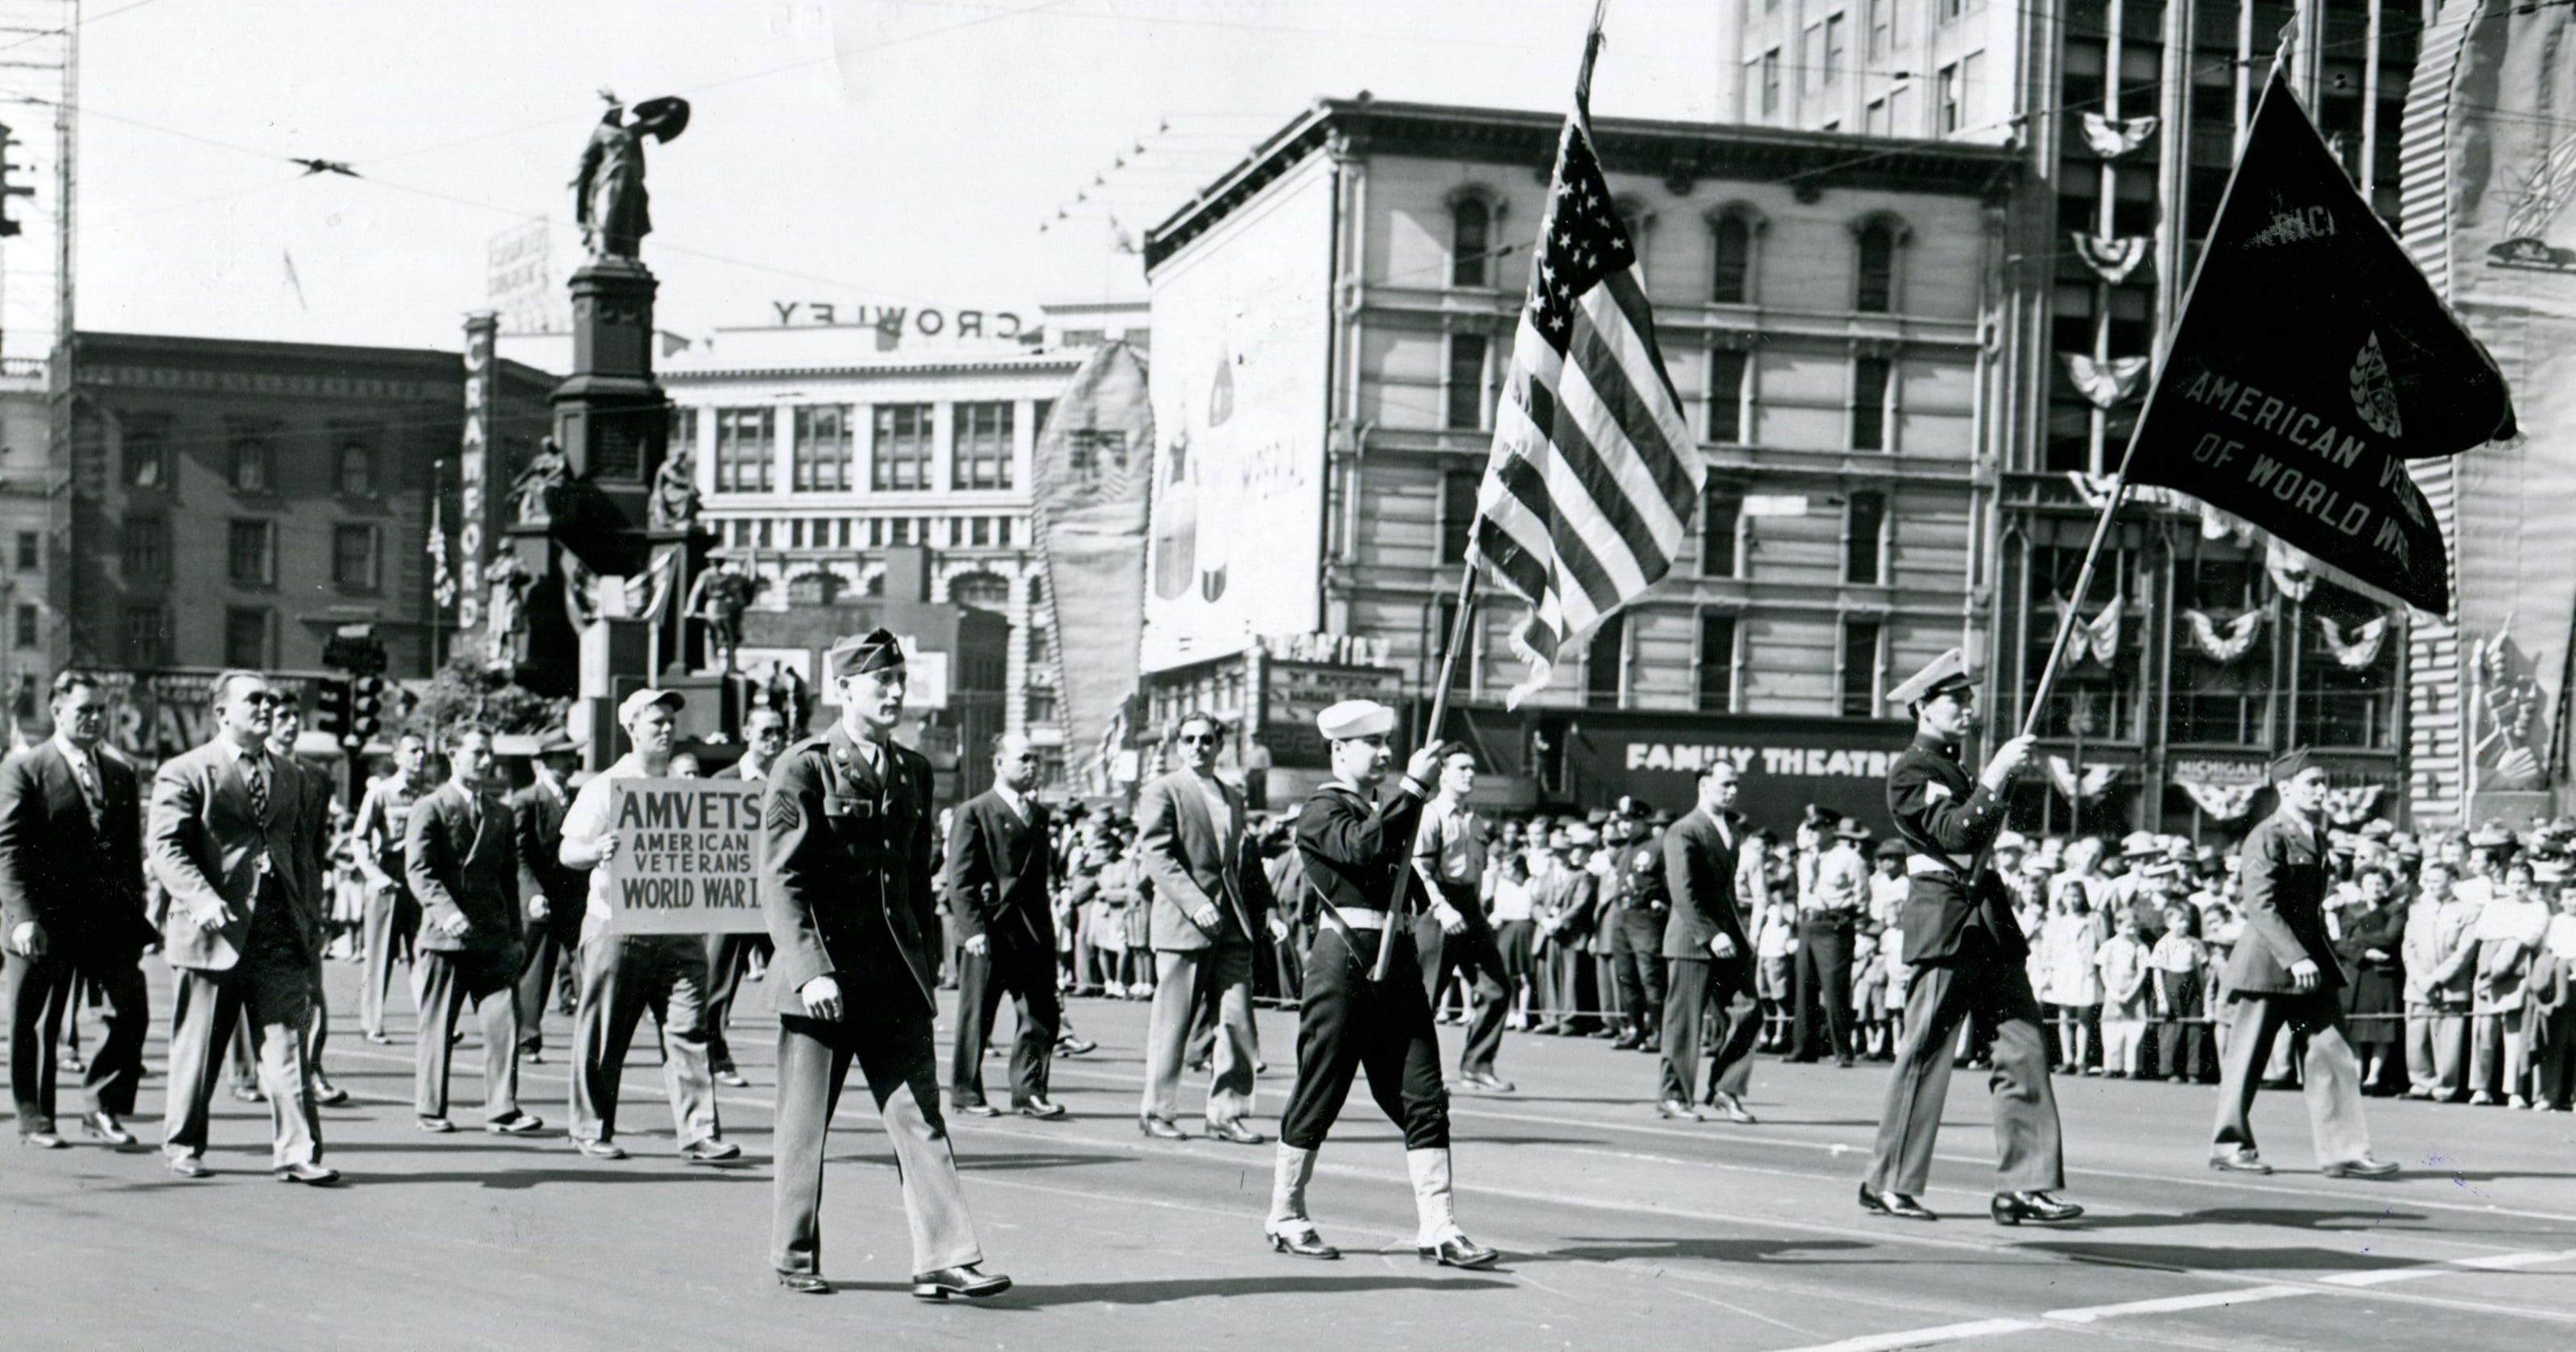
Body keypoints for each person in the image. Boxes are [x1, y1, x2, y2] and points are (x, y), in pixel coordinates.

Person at [762, 629, 1009, 1300]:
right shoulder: (805, 767)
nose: (896, 694)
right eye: (881, 684)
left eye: (901, 682)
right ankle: (793, 1256)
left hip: (894, 977)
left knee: (920, 1116)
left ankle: (945, 1258)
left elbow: (905, 880)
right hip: (823, 980)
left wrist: (926, 969)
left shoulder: (914, 770)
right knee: (805, 1123)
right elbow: (783, 880)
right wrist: (811, 968)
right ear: (843, 689)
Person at [1267, 706, 1495, 1270]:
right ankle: (1286, 1214)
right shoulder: (1322, 809)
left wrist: (1410, 817)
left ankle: (1438, 1226)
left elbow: (1411, 887)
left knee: (1425, 1096)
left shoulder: (1382, 812)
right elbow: (1362, 849)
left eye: (1389, 742)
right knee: (1322, 1089)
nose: (1386, 753)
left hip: (1397, 966)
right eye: (1372, 743)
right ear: (1339, 750)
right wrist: (1414, 789)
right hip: (1341, 962)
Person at [1860, 649, 2079, 1226]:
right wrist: (1998, 771)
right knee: (1926, 1056)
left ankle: (2025, 1186)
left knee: (2024, 1051)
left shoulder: (1951, 769)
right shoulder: (1912, 770)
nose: (1967, 708)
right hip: (1950, 926)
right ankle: (1887, 1181)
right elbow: (1956, 834)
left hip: (1988, 927)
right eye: (1956, 700)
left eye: (1967, 699)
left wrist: (1992, 777)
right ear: (1923, 708)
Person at [149, 671, 336, 1184]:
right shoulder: (186, 770)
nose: (267, 707)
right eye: (254, 699)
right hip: (211, 931)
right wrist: (201, 898)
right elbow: (166, 848)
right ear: (221, 712)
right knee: (200, 1047)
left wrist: (312, 916)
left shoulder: (290, 775)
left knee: (287, 1044)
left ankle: (298, 1152)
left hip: (277, 928)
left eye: (271, 700)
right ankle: (184, 1144)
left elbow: (301, 852)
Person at [558, 689, 737, 1164]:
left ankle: (699, 1132)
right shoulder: (607, 786)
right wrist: (598, 849)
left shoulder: (687, 789)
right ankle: (590, 1127)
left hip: (679, 927)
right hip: (618, 926)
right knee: (604, 1033)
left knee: (688, 1030)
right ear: (631, 727)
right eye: (655, 721)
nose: (665, 729)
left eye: (670, 722)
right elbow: (568, 851)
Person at [2207, 750, 2399, 1177]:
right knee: (2247, 1059)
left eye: (2322, 783)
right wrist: (2294, 958)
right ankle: (2229, 1145)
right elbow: (2260, 905)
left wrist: (2308, 958)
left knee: (2333, 1054)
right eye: (2312, 783)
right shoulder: (2266, 835)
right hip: (2269, 965)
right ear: (2285, 788)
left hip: (2310, 966)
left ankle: (2345, 1152)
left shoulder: (2316, 835)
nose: (2321, 791)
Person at [0, 671, 154, 1148]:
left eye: (101, 710)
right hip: (45, 918)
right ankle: (35, 1115)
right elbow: (8, 848)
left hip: (106, 919)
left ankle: (103, 1107)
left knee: (131, 1007)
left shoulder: (121, 771)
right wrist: (21, 915)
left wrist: (137, 911)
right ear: (56, 711)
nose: (94, 718)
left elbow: (128, 851)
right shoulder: (26, 768)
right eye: (84, 709)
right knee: (36, 1019)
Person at [1135, 713, 1274, 1140]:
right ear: (1179, 745)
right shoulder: (1164, 790)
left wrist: (1260, 911)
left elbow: (1238, 861)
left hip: (1230, 923)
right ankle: (1157, 1111)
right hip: (1183, 921)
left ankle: (1226, 1113)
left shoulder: (1232, 796)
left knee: (1237, 1018)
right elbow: (1157, 856)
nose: (1198, 746)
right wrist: (1195, 904)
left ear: (1220, 745)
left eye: (1207, 739)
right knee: (1173, 1023)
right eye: (1189, 739)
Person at [403, 728, 539, 1136]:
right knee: (438, 1025)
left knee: (503, 1022)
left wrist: (517, 934)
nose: (484, 761)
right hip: (446, 937)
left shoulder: (499, 812)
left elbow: (508, 877)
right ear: (452, 754)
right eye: (476, 753)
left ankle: (502, 1108)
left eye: (488, 753)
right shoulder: (430, 807)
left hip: (492, 935)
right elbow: (419, 870)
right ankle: (430, 1108)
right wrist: (446, 913)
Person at [943, 733, 1067, 1119]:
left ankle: (1028, 1092)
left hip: (1032, 931)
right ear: (999, 764)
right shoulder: (975, 811)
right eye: (1025, 758)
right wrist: (972, 929)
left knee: (1041, 1013)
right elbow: (959, 878)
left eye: (1037, 760)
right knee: (978, 1013)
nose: (1033, 766)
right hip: (990, 929)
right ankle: (965, 1090)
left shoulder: (1040, 815)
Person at [1657, 761, 1761, 1125]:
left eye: (1736, 785)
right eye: (1725, 784)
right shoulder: (1683, 830)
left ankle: (1725, 1089)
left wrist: (1734, 933)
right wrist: (1710, 933)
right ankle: (1673, 1095)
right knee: (1684, 1023)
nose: (1733, 791)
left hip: (1727, 939)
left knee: (1749, 1009)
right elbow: (1683, 892)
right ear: (1704, 785)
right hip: (1693, 940)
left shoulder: (1731, 828)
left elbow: (1727, 891)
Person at [1410, 744, 1516, 1094]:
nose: (1470, 774)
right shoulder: (1431, 815)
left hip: (1470, 906)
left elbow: (1480, 868)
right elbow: (1420, 868)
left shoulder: (1475, 819)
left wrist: (1477, 910)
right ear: (1442, 773)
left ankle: (1477, 1065)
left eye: (1473, 769)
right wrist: (1442, 907)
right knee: (1427, 996)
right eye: (1462, 768)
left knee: (1497, 986)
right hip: (1438, 906)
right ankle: (1415, 1074)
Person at [264, 699, 349, 1107]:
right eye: (282, 716)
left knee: (312, 990)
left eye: (297, 716)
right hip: (260, 897)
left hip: (303, 899)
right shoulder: (252, 770)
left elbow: (316, 847)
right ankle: (249, 1073)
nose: (291, 724)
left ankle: (312, 1070)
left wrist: (317, 900)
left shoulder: (316, 777)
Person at [705, 709, 788, 1087]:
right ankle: (713, 1053)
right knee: (719, 980)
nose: (774, 739)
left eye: (780, 733)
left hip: (777, 897)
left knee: (796, 970)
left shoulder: (788, 779)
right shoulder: (725, 781)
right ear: (747, 734)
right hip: (735, 897)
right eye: (766, 732)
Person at [510, 736, 586, 1064]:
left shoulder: (578, 797)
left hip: (574, 897)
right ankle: (526, 1038)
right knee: (536, 971)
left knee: (586, 966)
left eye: (572, 757)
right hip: (540, 897)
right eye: (562, 758)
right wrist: (532, 893)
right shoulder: (526, 800)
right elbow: (519, 854)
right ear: (542, 763)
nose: (570, 763)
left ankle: (591, 1038)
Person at [351, 734, 431, 1043]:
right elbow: (359, 839)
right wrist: (375, 876)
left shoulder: (428, 795)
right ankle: (372, 1023)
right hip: (389, 877)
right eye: (413, 750)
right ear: (398, 757)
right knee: (380, 953)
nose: (420, 756)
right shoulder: (382, 793)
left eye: (423, 750)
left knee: (423, 951)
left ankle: (432, 1020)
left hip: (420, 878)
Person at [2468, 858, 2550, 1107]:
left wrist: (2508, 937)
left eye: (2523, 883)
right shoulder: (2494, 906)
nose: (2517, 887)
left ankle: (2513, 1091)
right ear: (2505, 884)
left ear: (2531, 884)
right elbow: (2481, 931)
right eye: (2513, 882)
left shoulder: (2538, 907)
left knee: (2514, 1034)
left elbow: (2533, 935)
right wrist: (2512, 934)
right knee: (2484, 1032)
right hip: (2489, 969)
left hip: (2518, 973)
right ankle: (2481, 1088)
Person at [1794, 814, 1870, 1066]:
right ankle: (1804, 1048)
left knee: (1835, 989)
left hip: (1833, 925)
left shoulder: (1849, 858)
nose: (1813, 832)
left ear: (1831, 829)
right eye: (1810, 828)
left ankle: (1842, 1051)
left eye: (1818, 827)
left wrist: (1845, 919)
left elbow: (1862, 896)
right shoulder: (1806, 858)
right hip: (1808, 923)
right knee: (1805, 987)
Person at [2401, 860, 2479, 1100]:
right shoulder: (2417, 909)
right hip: (2418, 985)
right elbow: (2408, 947)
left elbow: (2464, 952)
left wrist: (2436, 979)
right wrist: (2420, 978)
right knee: (2417, 1036)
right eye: (2427, 880)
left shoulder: (2469, 910)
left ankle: (2445, 1086)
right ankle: (2421, 1082)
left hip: (2450, 985)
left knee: (2447, 1039)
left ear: (2452, 882)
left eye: (2436, 881)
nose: (2431, 885)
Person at [1604, 802, 1669, 1054]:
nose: (1625, 825)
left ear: (1644, 821)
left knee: (1650, 975)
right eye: (1622, 820)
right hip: (1622, 915)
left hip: (1645, 918)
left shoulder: (1656, 847)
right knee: (1626, 974)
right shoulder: (1623, 851)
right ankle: (1634, 1028)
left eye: (1630, 820)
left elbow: (1669, 883)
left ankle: (1658, 1031)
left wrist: (1662, 903)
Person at [2150, 905, 2211, 1083]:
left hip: (2192, 985)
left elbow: (2202, 970)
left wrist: (2204, 995)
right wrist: (2162, 1000)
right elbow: (2157, 973)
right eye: (2179, 920)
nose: (2184, 925)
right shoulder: (2164, 943)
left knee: (2194, 1028)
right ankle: (2171, 1070)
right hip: (2171, 984)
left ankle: (2193, 1069)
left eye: (2186, 921)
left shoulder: (2194, 943)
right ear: (2168, 922)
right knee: (2172, 1028)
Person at [2095, 909, 2150, 1078]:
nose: (2132, 931)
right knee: (2111, 1028)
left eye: (2135, 927)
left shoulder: (2140, 946)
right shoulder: (2109, 945)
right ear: (2117, 926)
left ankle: (2132, 1068)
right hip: (2113, 992)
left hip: (2133, 992)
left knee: (2134, 1029)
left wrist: (2130, 993)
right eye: (2128, 927)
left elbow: (2142, 972)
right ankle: (2111, 1066)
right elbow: (2103, 970)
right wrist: (2112, 992)